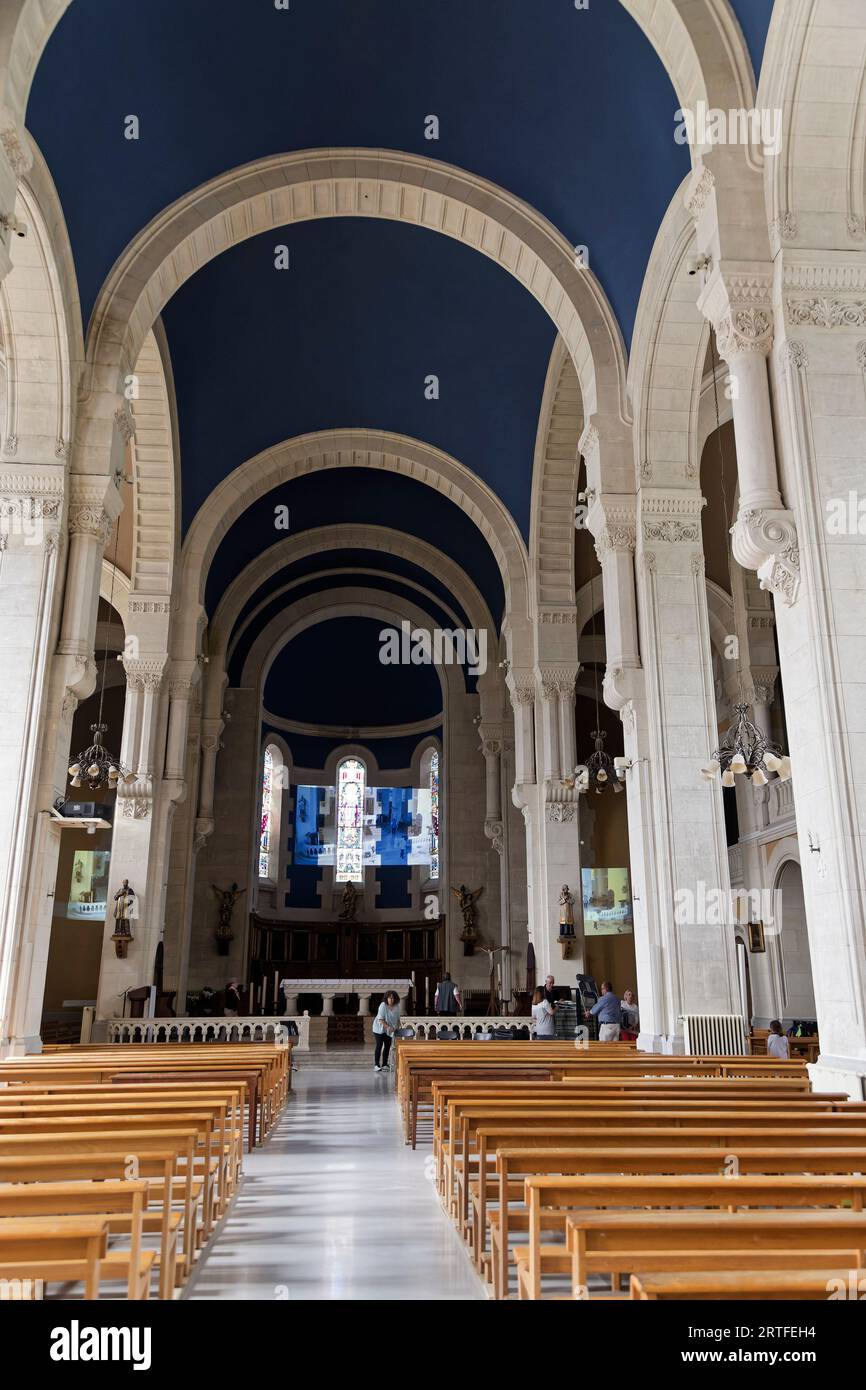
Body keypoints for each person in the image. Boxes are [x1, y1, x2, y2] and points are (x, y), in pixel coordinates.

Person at [372, 989, 401, 1071]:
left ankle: (385, 1064)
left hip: (389, 1029)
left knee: (387, 1046)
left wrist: (397, 1027)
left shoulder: (396, 1006)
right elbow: (381, 1020)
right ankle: (376, 1065)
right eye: (389, 998)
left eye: (393, 998)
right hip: (379, 1028)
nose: (391, 1000)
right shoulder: (383, 1005)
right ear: (386, 998)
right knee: (379, 1045)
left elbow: (398, 1019)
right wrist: (388, 1027)